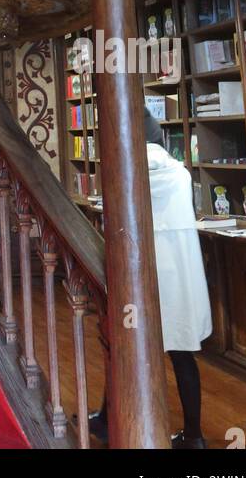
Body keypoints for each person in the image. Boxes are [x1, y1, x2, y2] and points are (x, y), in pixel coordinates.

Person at [87, 111, 212, 448]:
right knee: (182, 353)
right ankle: (195, 435)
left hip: (145, 273)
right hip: (182, 275)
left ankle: (107, 420)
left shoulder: (130, 170)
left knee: (122, 345)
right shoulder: (181, 173)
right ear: (159, 139)